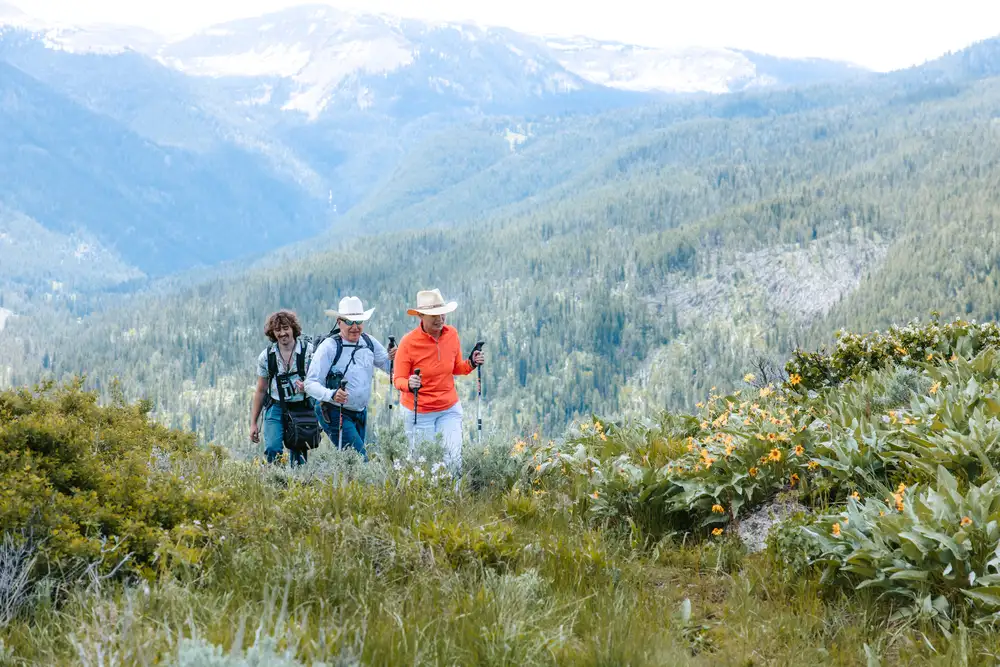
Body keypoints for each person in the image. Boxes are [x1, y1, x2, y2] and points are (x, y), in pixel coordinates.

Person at [392, 288, 485, 474]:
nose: (439, 319)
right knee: (424, 465)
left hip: (448, 408)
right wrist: (409, 384)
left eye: (441, 314)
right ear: (420, 315)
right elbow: (398, 379)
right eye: (433, 315)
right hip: (419, 411)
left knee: (453, 458)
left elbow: (456, 367)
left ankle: (454, 499)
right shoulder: (408, 342)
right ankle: (424, 500)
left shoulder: (452, 334)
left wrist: (471, 363)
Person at [304, 295, 395, 459]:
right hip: (334, 411)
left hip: (360, 412)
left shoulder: (368, 342)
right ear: (339, 322)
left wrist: (396, 357)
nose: (355, 327)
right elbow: (310, 383)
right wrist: (332, 394)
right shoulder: (329, 346)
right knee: (361, 460)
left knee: (351, 463)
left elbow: (390, 367)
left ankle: (345, 485)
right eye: (349, 322)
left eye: (359, 321)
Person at [250, 309, 316, 466]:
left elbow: (320, 381)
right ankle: (276, 483)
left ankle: (298, 486)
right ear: (272, 333)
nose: (282, 333)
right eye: (277, 330)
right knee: (273, 448)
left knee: (299, 454)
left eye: (285, 328)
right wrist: (254, 422)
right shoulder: (266, 357)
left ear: (293, 328)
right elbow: (261, 390)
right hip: (276, 405)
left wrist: (308, 387)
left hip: (302, 407)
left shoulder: (309, 352)